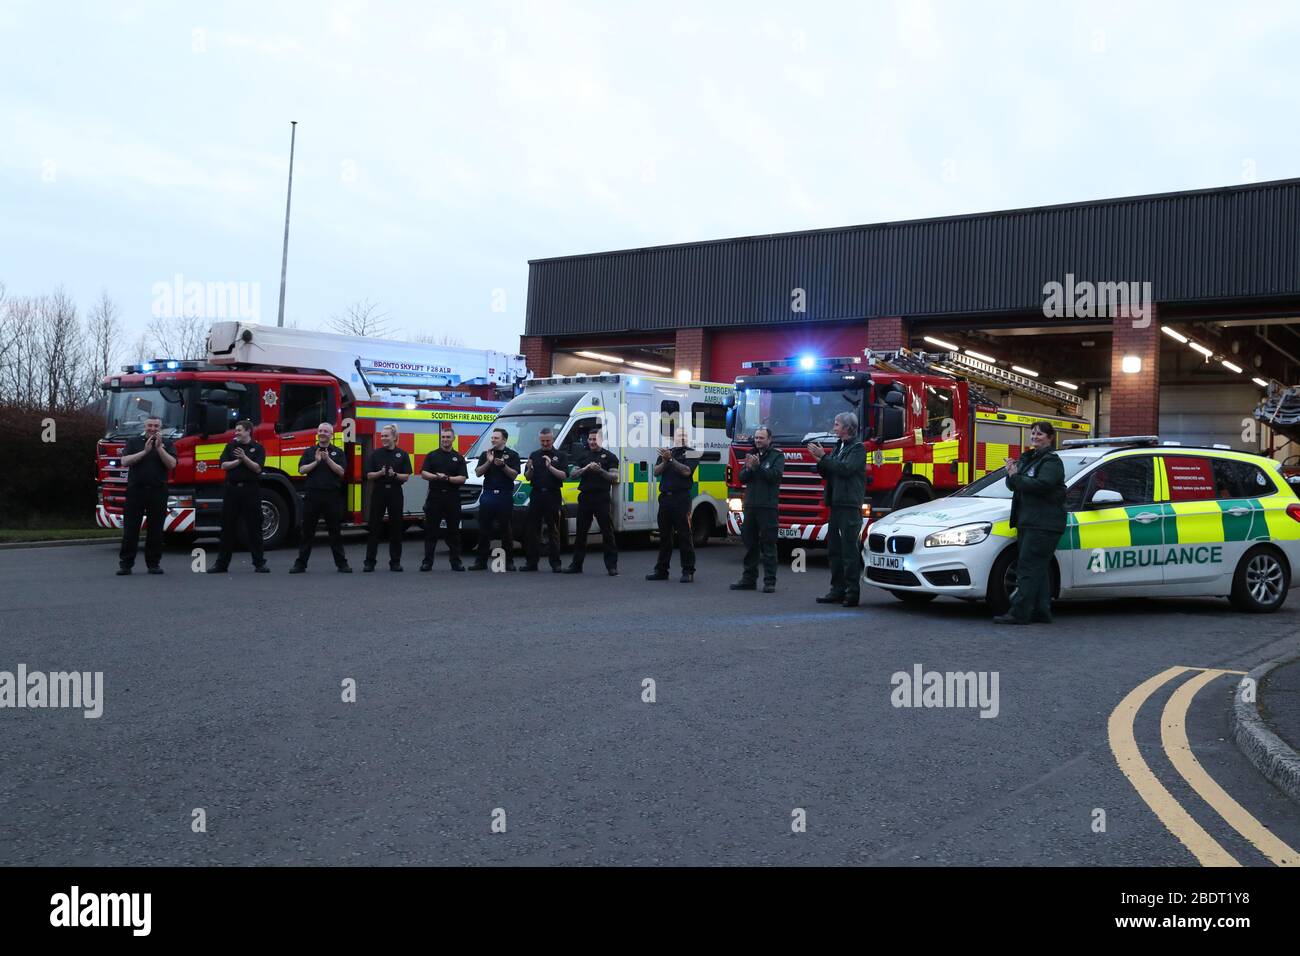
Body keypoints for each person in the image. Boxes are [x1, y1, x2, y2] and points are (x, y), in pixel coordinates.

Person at [994, 421, 1067, 625]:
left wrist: (1016, 477)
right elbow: (1014, 485)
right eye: (1033, 433)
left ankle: (1019, 613)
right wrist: (1011, 471)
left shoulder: (1051, 462)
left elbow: (1042, 485)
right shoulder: (1031, 459)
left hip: (1043, 523)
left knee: (1027, 567)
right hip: (1029, 521)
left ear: (1050, 438)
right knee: (1039, 569)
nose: (1035, 436)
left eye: (1040, 434)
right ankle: (1041, 611)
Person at [808, 411, 867, 607]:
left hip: (849, 504)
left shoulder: (858, 448)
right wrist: (820, 461)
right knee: (834, 550)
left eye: (837, 424)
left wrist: (824, 458)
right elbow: (829, 471)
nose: (834, 428)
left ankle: (852, 592)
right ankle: (837, 589)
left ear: (848, 428)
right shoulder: (839, 446)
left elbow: (845, 469)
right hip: (835, 503)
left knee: (849, 549)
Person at [116, 415, 177, 575]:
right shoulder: (133, 442)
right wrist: (145, 452)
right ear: (144, 426)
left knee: (156, 530)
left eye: (156, 426)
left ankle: (153, 564)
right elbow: (124, 461)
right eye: (150, 426)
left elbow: (172, 464)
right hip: (136, 490)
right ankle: (126, 564)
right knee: (131, 529)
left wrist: (159, 448)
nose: (153, 429)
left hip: (158, 491)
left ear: (160, 428)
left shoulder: (168, 443)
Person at [290, 422, 351, 573]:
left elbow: (341, 472)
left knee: (335, 532)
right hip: (313, 495)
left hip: (332, 496)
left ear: (331, 435)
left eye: (325, 431)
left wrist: (328, 459)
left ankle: (342, 564)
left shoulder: (338, 452)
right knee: (307, 532)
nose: (322, 433)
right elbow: (301, 470)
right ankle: (300, 564)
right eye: (320, 431)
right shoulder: (310, 451)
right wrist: (316, 461)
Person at [731, 425, 783, 592]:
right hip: (751, 506)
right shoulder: (751, 455)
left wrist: (758, 467)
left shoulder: (777, 456)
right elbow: (742, 477)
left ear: (769, 440)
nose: (758, 440)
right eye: (756, 437)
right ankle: (748, 579)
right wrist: (750, 468)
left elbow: (774, 477)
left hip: (767, 507)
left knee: (768, 545)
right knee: (750, 544)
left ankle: (769, 582)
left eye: (761, 438)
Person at [212, 419, 269, 573]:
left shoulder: (257, 448)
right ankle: (221, 564)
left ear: (248, 431)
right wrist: (238, 460)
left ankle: (259, 563)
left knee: (254, 528)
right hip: (232, 491)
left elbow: (257, 468)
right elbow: (223, 465)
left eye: (239, 430)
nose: (236, 433)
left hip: (251, 491)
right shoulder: (230, 446)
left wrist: (245, 458)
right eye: (236, 430)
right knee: (227, 528)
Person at [562, 426, 620, 575]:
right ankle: (576, 565)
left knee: (607, 532)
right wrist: (586, 468)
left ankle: (611, 566)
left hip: (602, 498)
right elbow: (573, 474)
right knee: (581, 533)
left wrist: (600, 471)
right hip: (586, 497)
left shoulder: (610, 457)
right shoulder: (583, 456)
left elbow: (614, 478)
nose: (592, 442)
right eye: (590, 439)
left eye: (595, 439)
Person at [647, 429, 697, 583]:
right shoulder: (666, 453)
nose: (681, 438)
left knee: (684, 535)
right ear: (673, 438)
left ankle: (688, 571)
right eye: (678, 435)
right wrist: (665, 460)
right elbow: (655, 472)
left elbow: (686, 472)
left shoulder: (692, 453)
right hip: (666, 500)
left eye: (684, 435)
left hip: (681, 499)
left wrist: (670, 460)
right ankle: (662, 570)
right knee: (664, 537)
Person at [470, 427, 521, 571]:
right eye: (492, 438)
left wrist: (503, 465)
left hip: (504, 495)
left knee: (506, 530)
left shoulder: (512, 455)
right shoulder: (486, 454)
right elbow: (478, 473)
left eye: (496, 438)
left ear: (504, 439)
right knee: (484, 529)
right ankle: (480, 562)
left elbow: (514, 475)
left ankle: (508, 562)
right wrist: (488, 462)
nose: (493, 440)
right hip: (488, 494)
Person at [363, 424, 412, 572]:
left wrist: (394, 474)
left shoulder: (402, 454)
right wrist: (380, 473)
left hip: (395, 492)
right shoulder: (375, 454)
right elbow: (368, 475)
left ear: (394, 437)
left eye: (386, 435)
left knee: (396, 528)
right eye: (382, 435)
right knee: (374, 528)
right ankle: (369, 562)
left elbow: (406, 476)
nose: (383, 438)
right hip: (379, 492)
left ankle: (395, 562)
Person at [419, 425, 468, 572]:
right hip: (435, 497)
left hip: (452, 498)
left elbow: (462, 478)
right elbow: (423, 473)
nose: (445, 440)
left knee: (453, 532)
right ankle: (427, 562)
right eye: (443, 437)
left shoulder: (458, 458)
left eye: (448, 437)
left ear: (453, 439)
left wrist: (447, 478)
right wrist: (436, 477)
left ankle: (456, 562)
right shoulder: (432, 455)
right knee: (431, 532)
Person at [520, 427, 567, 572]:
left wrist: (550, 467)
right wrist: (530, 469)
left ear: (552, 439)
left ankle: (556, 563)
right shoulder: (534, 454)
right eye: (542, 441)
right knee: (532, 530)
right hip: (536, 494)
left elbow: (564, 475)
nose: (545, 443)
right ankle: (531, 563)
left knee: (553, 530)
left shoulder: (560, 455)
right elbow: (527, 477)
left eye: (547, 440)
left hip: (552, 494)